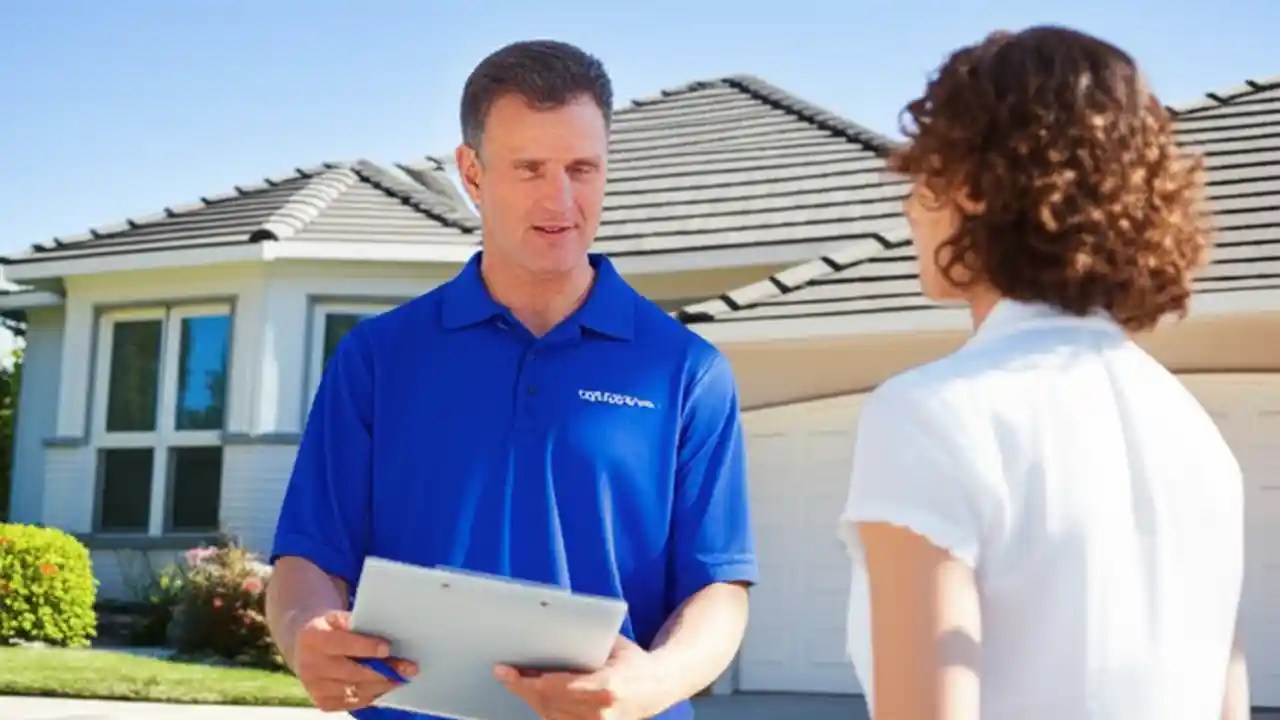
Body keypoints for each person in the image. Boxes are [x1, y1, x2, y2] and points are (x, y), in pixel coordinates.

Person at [265, 39, 758, 720]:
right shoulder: (378, 358)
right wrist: (302, 636)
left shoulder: (685, 370)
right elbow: (308, 560)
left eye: (582, 168)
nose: (560, 198)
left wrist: (654, 682)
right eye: (529, 168)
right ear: (472, 173)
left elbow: (719, 590)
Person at [837, 26, 1249, 720]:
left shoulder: (929, 415)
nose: (910, 207)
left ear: (970, 186)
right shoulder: (1196, 435)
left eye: (924, 174)